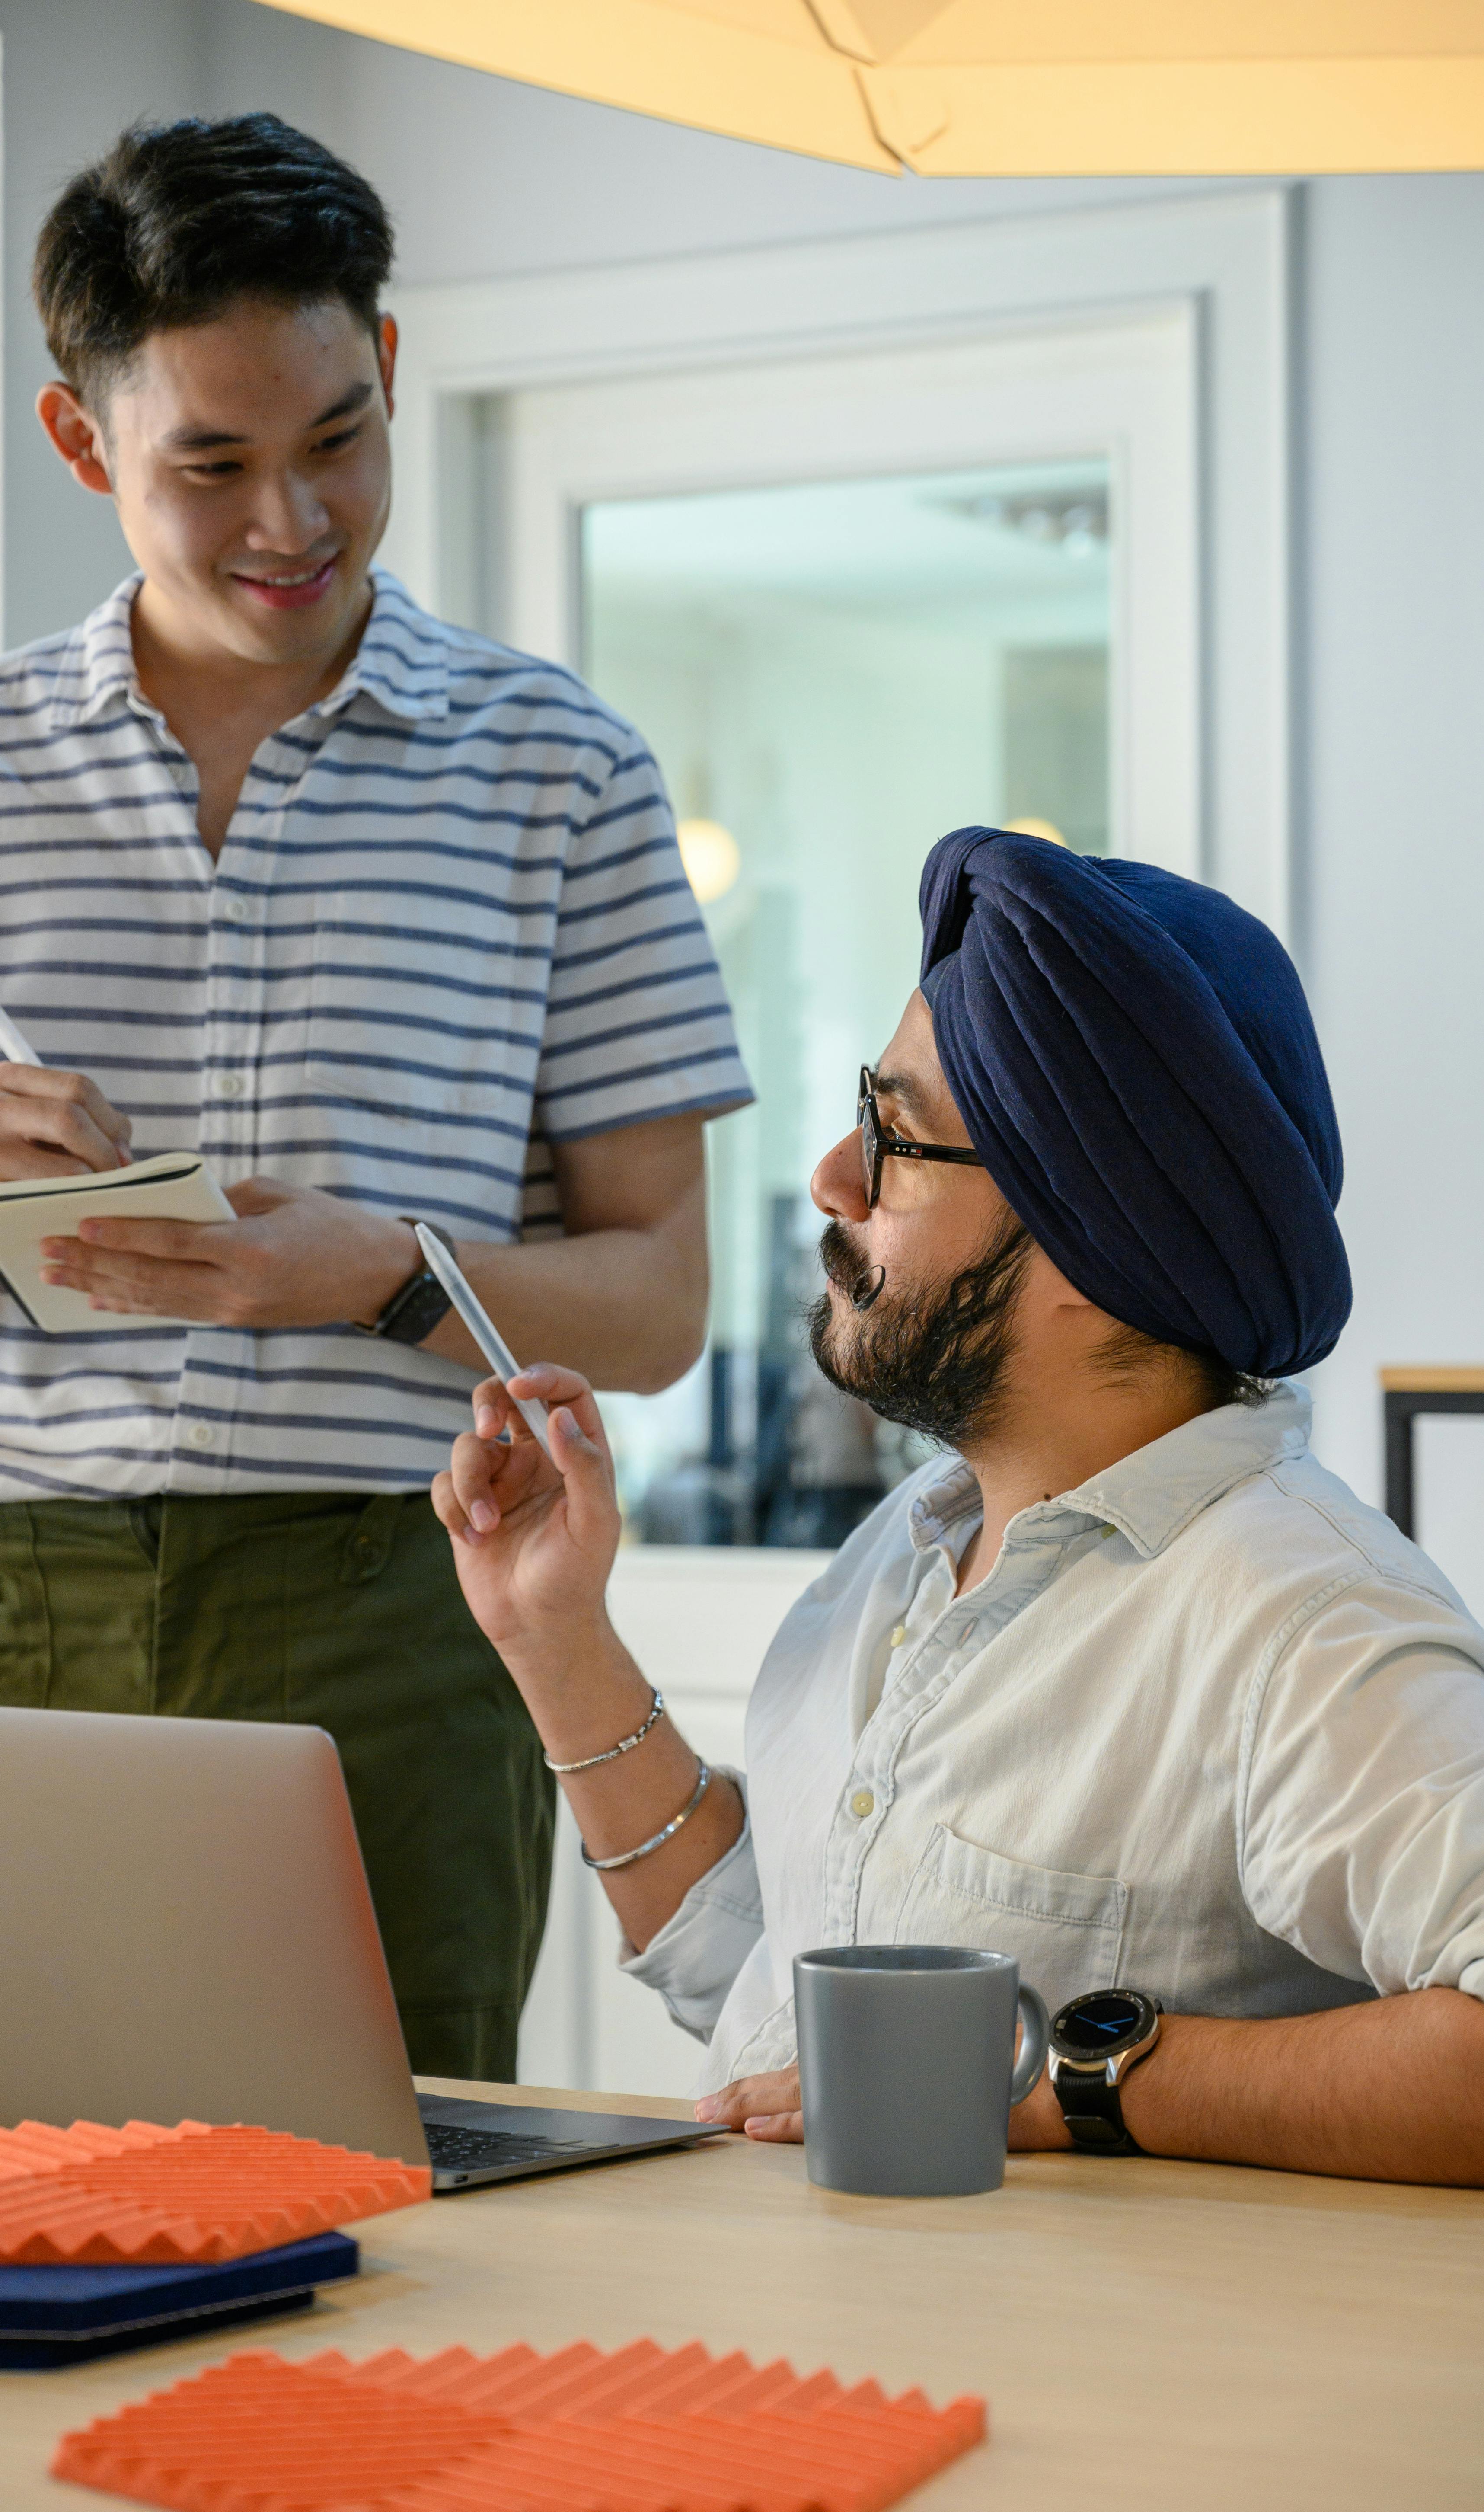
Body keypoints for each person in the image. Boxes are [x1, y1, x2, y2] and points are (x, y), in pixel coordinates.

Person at [0, 114, 751, 2072]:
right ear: (81, 440)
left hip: (393, 1617)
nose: (292, 519)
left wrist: (380, 1274)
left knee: (392, 2251)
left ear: (388, 372)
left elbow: (658, 1304)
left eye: (334, 441)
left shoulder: (567, 778)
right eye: (212, 465)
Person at [432, 826, 1484, 2185]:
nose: (832, 1177)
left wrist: (1085, 2079)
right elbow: (762, 1982)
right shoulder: (910, 1542)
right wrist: (554, 1641)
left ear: (1096, 1242)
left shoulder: (1301, 1621)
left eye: (898, 1134)